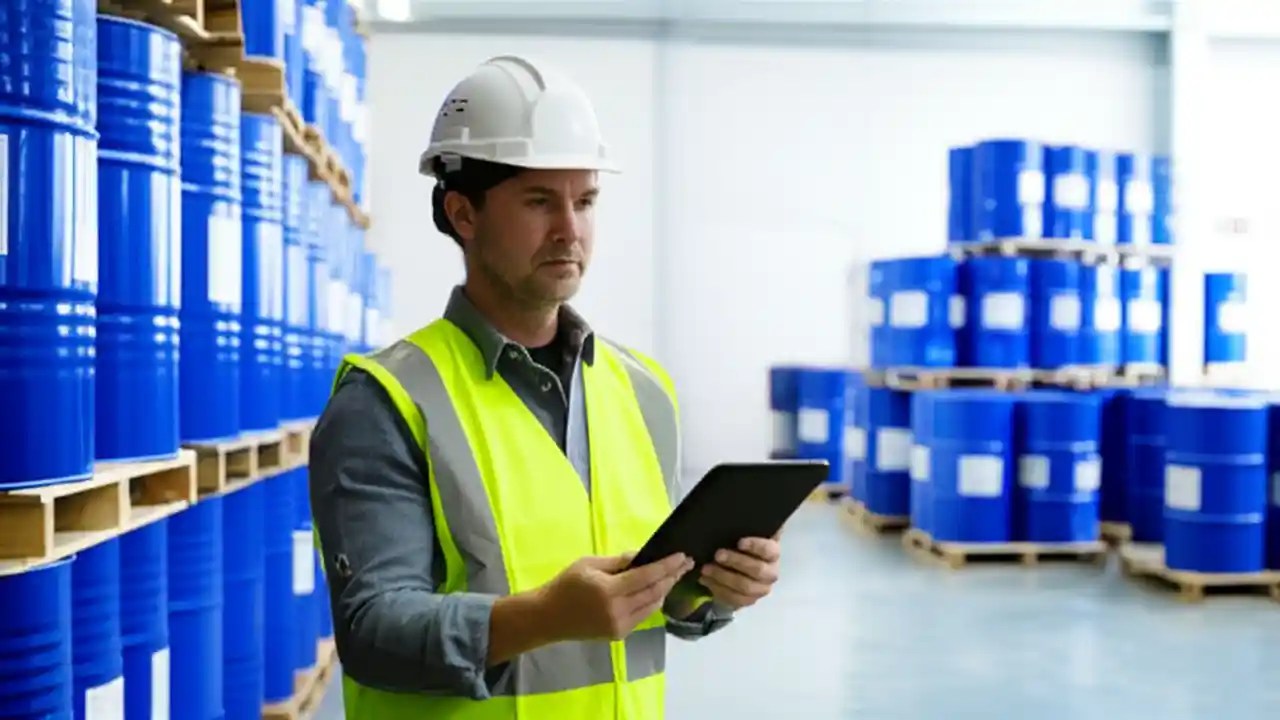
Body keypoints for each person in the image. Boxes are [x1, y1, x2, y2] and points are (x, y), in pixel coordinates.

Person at [309, 55, 785, 719]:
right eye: (539, 201)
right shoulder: (386, 402)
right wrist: (543, 618)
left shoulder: (645, 391)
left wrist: (715, 592)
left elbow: (665, 601)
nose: (571, 230)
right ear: (462, 213)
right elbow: (373, 631)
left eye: (585, 200)